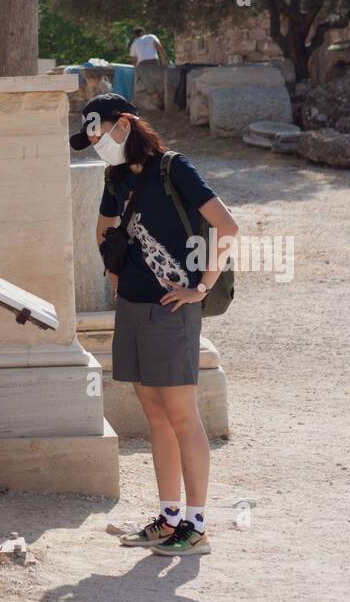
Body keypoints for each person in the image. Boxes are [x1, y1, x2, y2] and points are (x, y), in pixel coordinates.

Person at [70, 94, 239, 556]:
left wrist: (200, 288)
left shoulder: (173, 168)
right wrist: (116, 274)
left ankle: (197, 525)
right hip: (133, 306)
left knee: (183, 415)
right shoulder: (116, 176)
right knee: (155, 414)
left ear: (124, 124)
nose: (99, 144)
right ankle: (168, 519)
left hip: (171, 309)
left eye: (101, 133)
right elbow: (103, 230)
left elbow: (226, 227)